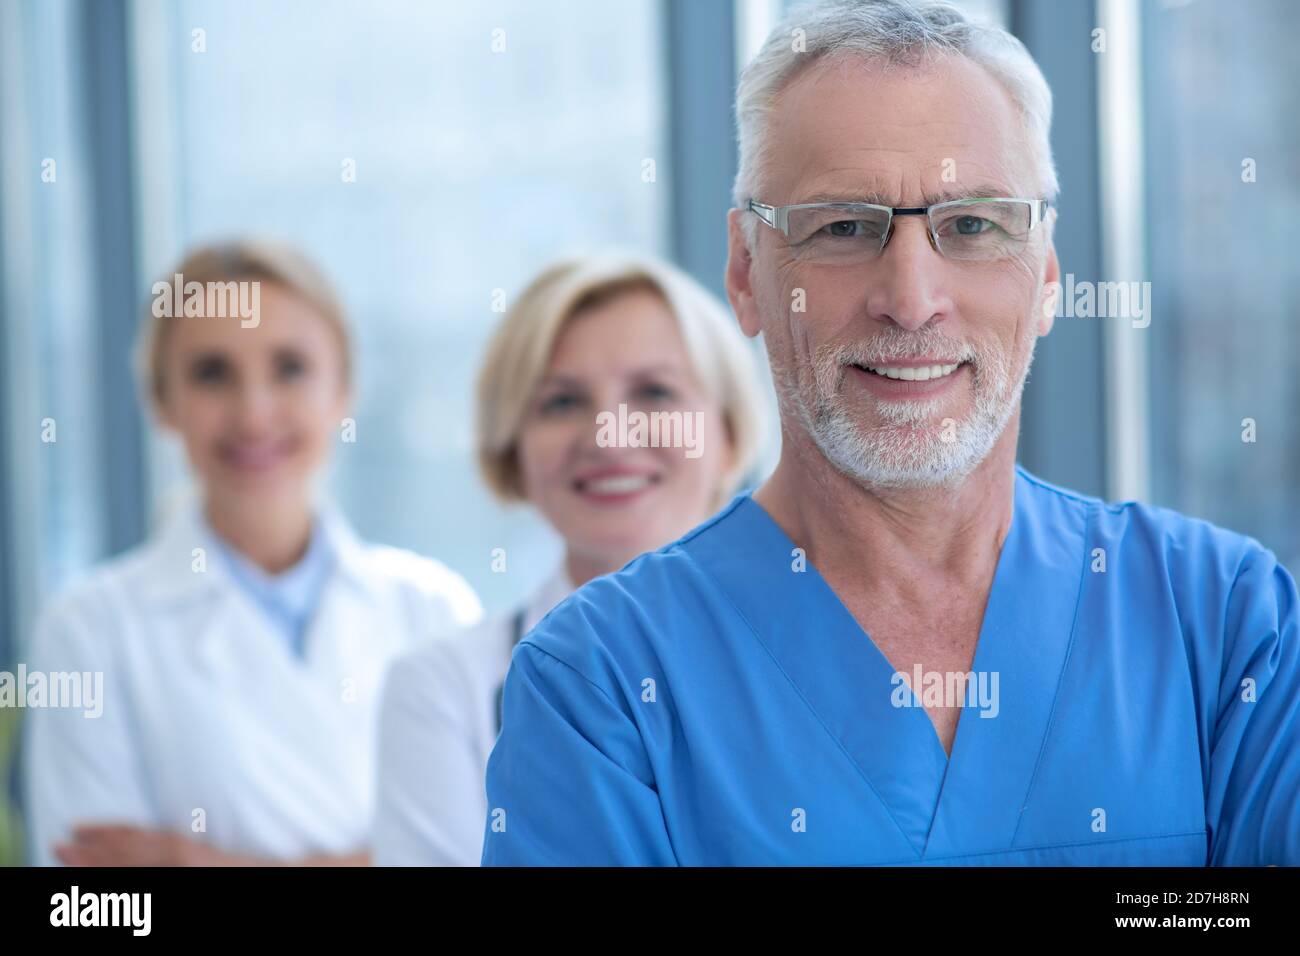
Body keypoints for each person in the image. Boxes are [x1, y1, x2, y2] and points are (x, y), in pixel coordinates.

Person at [481, 0, 1300, 866]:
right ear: (745, 273)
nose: (911, 301)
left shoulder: (1223, 623)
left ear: (1049, 275)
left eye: (973, 226)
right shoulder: (601, 685)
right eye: (841, 227)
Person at [24, 240, 481, 866]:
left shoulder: (432, 609)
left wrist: (199, 864)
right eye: (212, 373)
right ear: (161, 401)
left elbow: (488, 855)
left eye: (289, 368)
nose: (254, 412)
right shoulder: (89, 631)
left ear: (342, 391)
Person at [373, 255, 769, 865]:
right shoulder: (443, 690)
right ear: (513, 450)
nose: (608, 434)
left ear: (729, 433)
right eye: (561, 403)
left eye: (654, 392)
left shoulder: (815, 655)